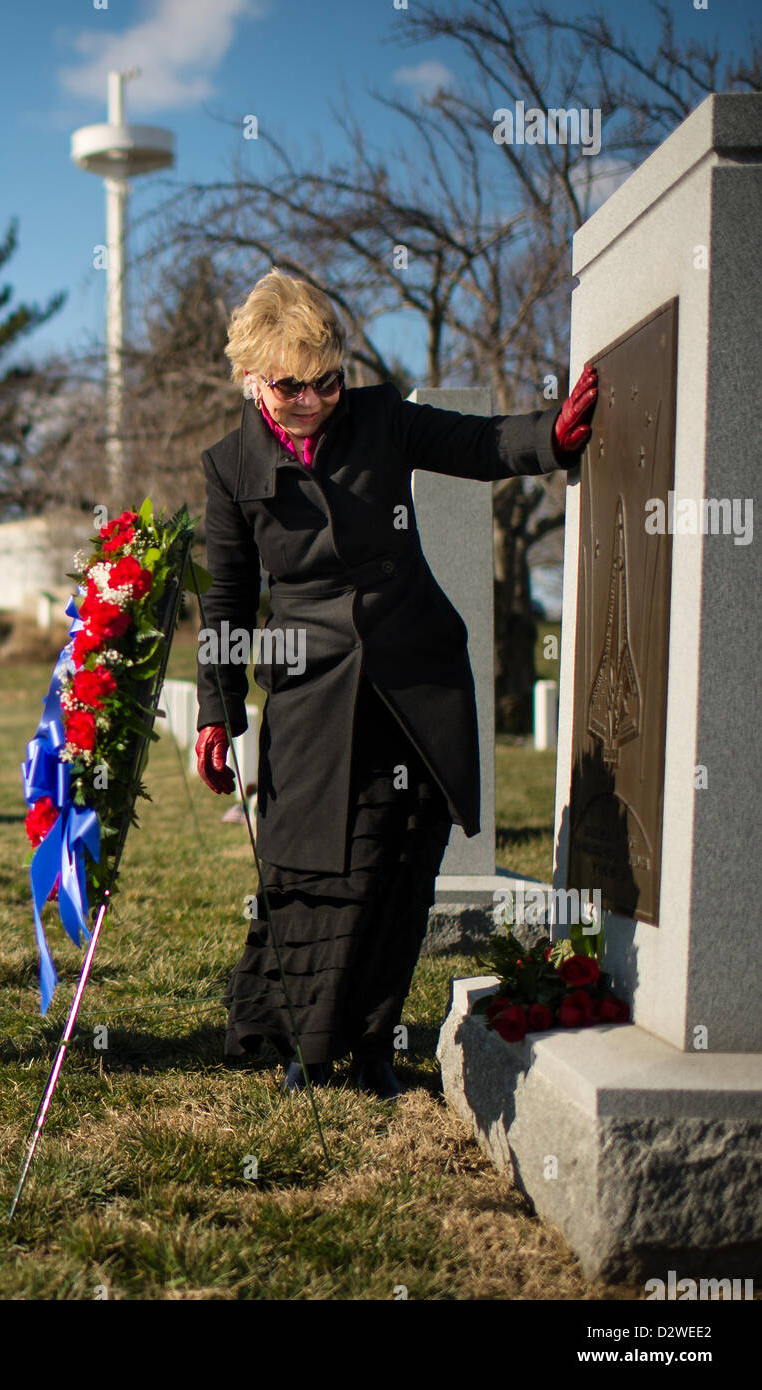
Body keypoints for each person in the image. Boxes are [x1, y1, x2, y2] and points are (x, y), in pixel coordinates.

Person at [194, 269, 596, 1098]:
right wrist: (216, 710)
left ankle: (374, 1047)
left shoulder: (378, 419)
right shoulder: (229, 465)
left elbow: (476, 445)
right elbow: (229, 597)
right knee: (310, 873)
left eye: (326, 380)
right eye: (290, 385)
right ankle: (305, 1053)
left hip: (413, 676)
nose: (311, 399)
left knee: (399, 866)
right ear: (251, 379)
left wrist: (550, 438)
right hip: (309, 689)